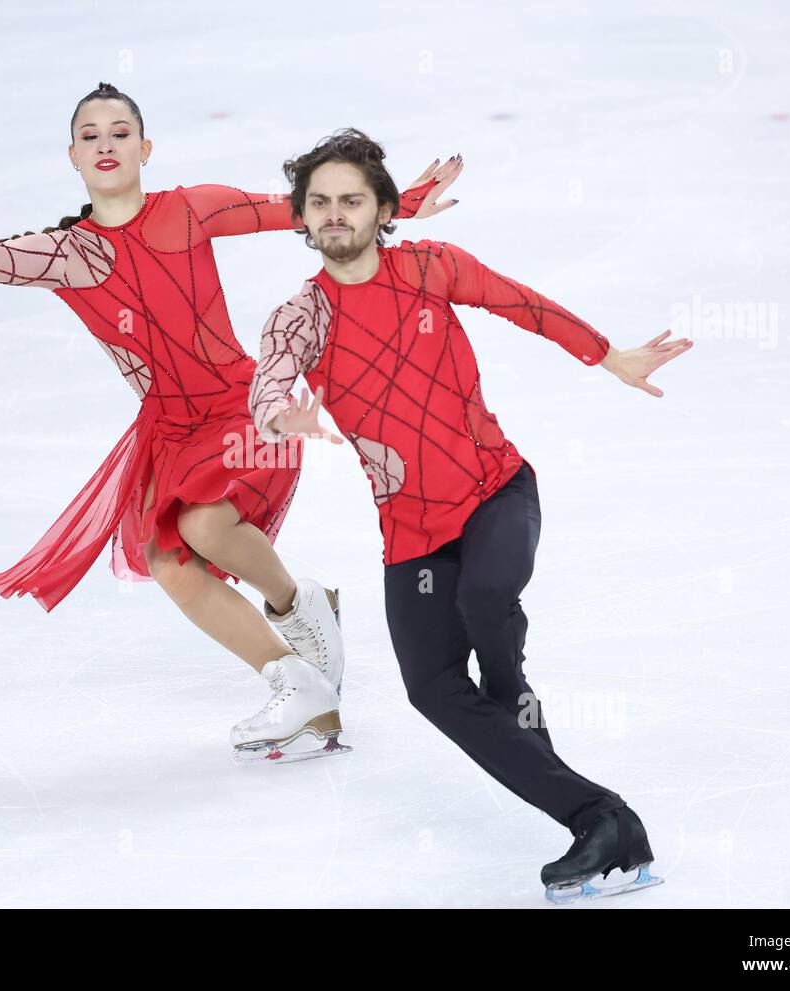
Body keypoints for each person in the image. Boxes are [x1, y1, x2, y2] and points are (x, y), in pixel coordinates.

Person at [0, 84, 461, 764]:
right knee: (171, 561)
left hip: (240, 406)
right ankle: (295, 650)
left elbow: (302, 211)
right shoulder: (70, 254)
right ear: (72, 155)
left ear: (145, 148)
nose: (105, 143)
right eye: (90, 135)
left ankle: (299, 640)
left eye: (120, 132)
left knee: (202, 527)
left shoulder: (189, 209)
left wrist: (404, 203)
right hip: (170, 430)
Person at [248, 127, 691, 897]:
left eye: (351, 199)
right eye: (319, 202)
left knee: (487, 599)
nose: (334, 214)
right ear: (302, 217)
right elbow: (270, 381)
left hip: (496, 493)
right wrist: (278, 412)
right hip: (411, 534)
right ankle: (598, 816)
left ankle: (520, 700)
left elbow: (522, 304)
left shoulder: (429, 267)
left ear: (383, 208)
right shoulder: (301, 317)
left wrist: (606, 353)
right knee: (432, 688)